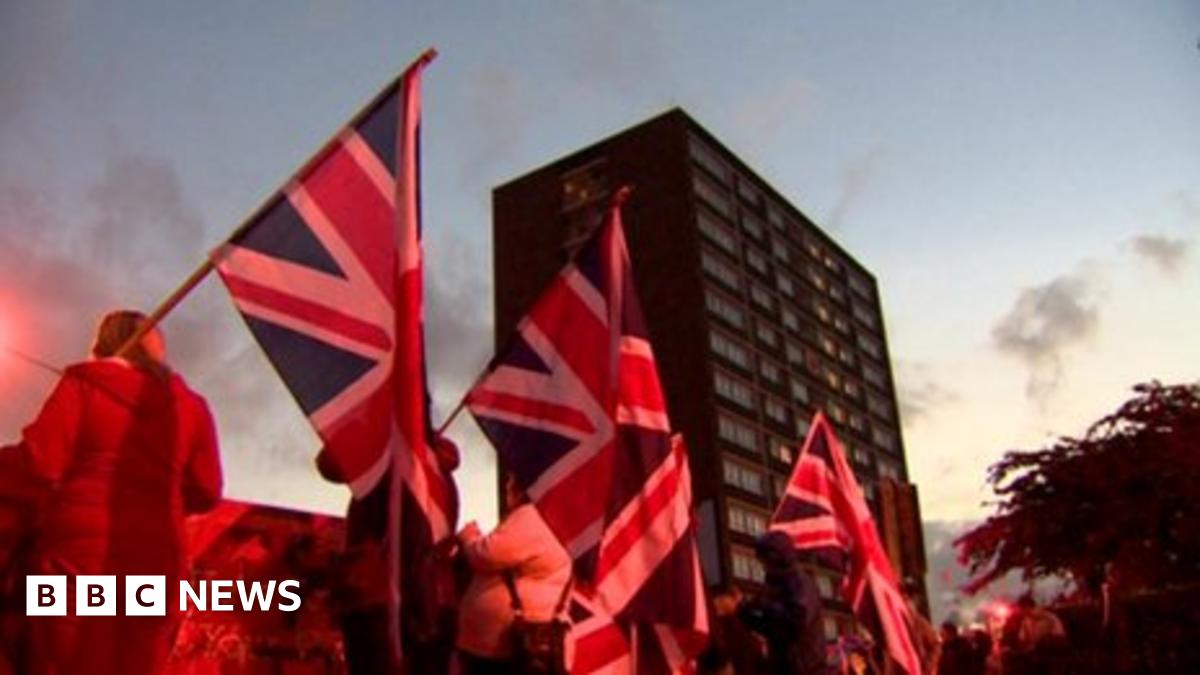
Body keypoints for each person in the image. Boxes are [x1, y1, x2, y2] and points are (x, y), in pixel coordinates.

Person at [0, 309, 223, 675]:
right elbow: (207, 490)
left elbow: (41, 463)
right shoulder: (191, 407)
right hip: (159, 560)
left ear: (104, 342)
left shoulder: (85, 384)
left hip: (77, 559)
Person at [455, 474, 571, 674]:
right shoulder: (561, 514)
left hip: (506, 644)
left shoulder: (533, 516)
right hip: (537, 636)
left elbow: (486, 555)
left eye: (511, 479)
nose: (508, 486)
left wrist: (469, 537)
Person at [737, 531, 829, 674]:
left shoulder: (799, 583)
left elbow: (795, 623)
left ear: (775, 558)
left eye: (763, 560)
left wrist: (762, 607)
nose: (762, 566)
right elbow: (770, 627)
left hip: (807, 669)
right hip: (784, 668)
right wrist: (742, 610)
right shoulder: (774, 585)